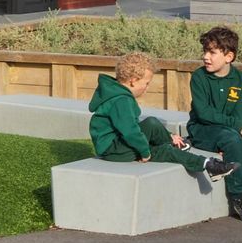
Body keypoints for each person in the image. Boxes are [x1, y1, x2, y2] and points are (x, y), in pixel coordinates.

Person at [89, 51, 233, 196]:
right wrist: (145, 152)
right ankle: (189, 153)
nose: (147, 88)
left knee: (156, 133)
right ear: (133, 80)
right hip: (114, 150)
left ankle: (208, 164)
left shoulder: (117, 94)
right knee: (156, 134)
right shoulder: (121, 101)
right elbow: (130, 132)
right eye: (146, 83)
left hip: (118, 146)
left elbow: (131, 127)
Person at [182, 26, 242, 223]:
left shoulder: (241, 80)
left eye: (212, 52)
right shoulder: (199, 77)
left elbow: (240, 114)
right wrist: (236, 128)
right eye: (205, 51)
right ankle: (239, 197)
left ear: (229, 56)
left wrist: (237, 130)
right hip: (202, 129)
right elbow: (204, 114)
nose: (206, 57)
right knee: (232, 140)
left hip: (229, 130)